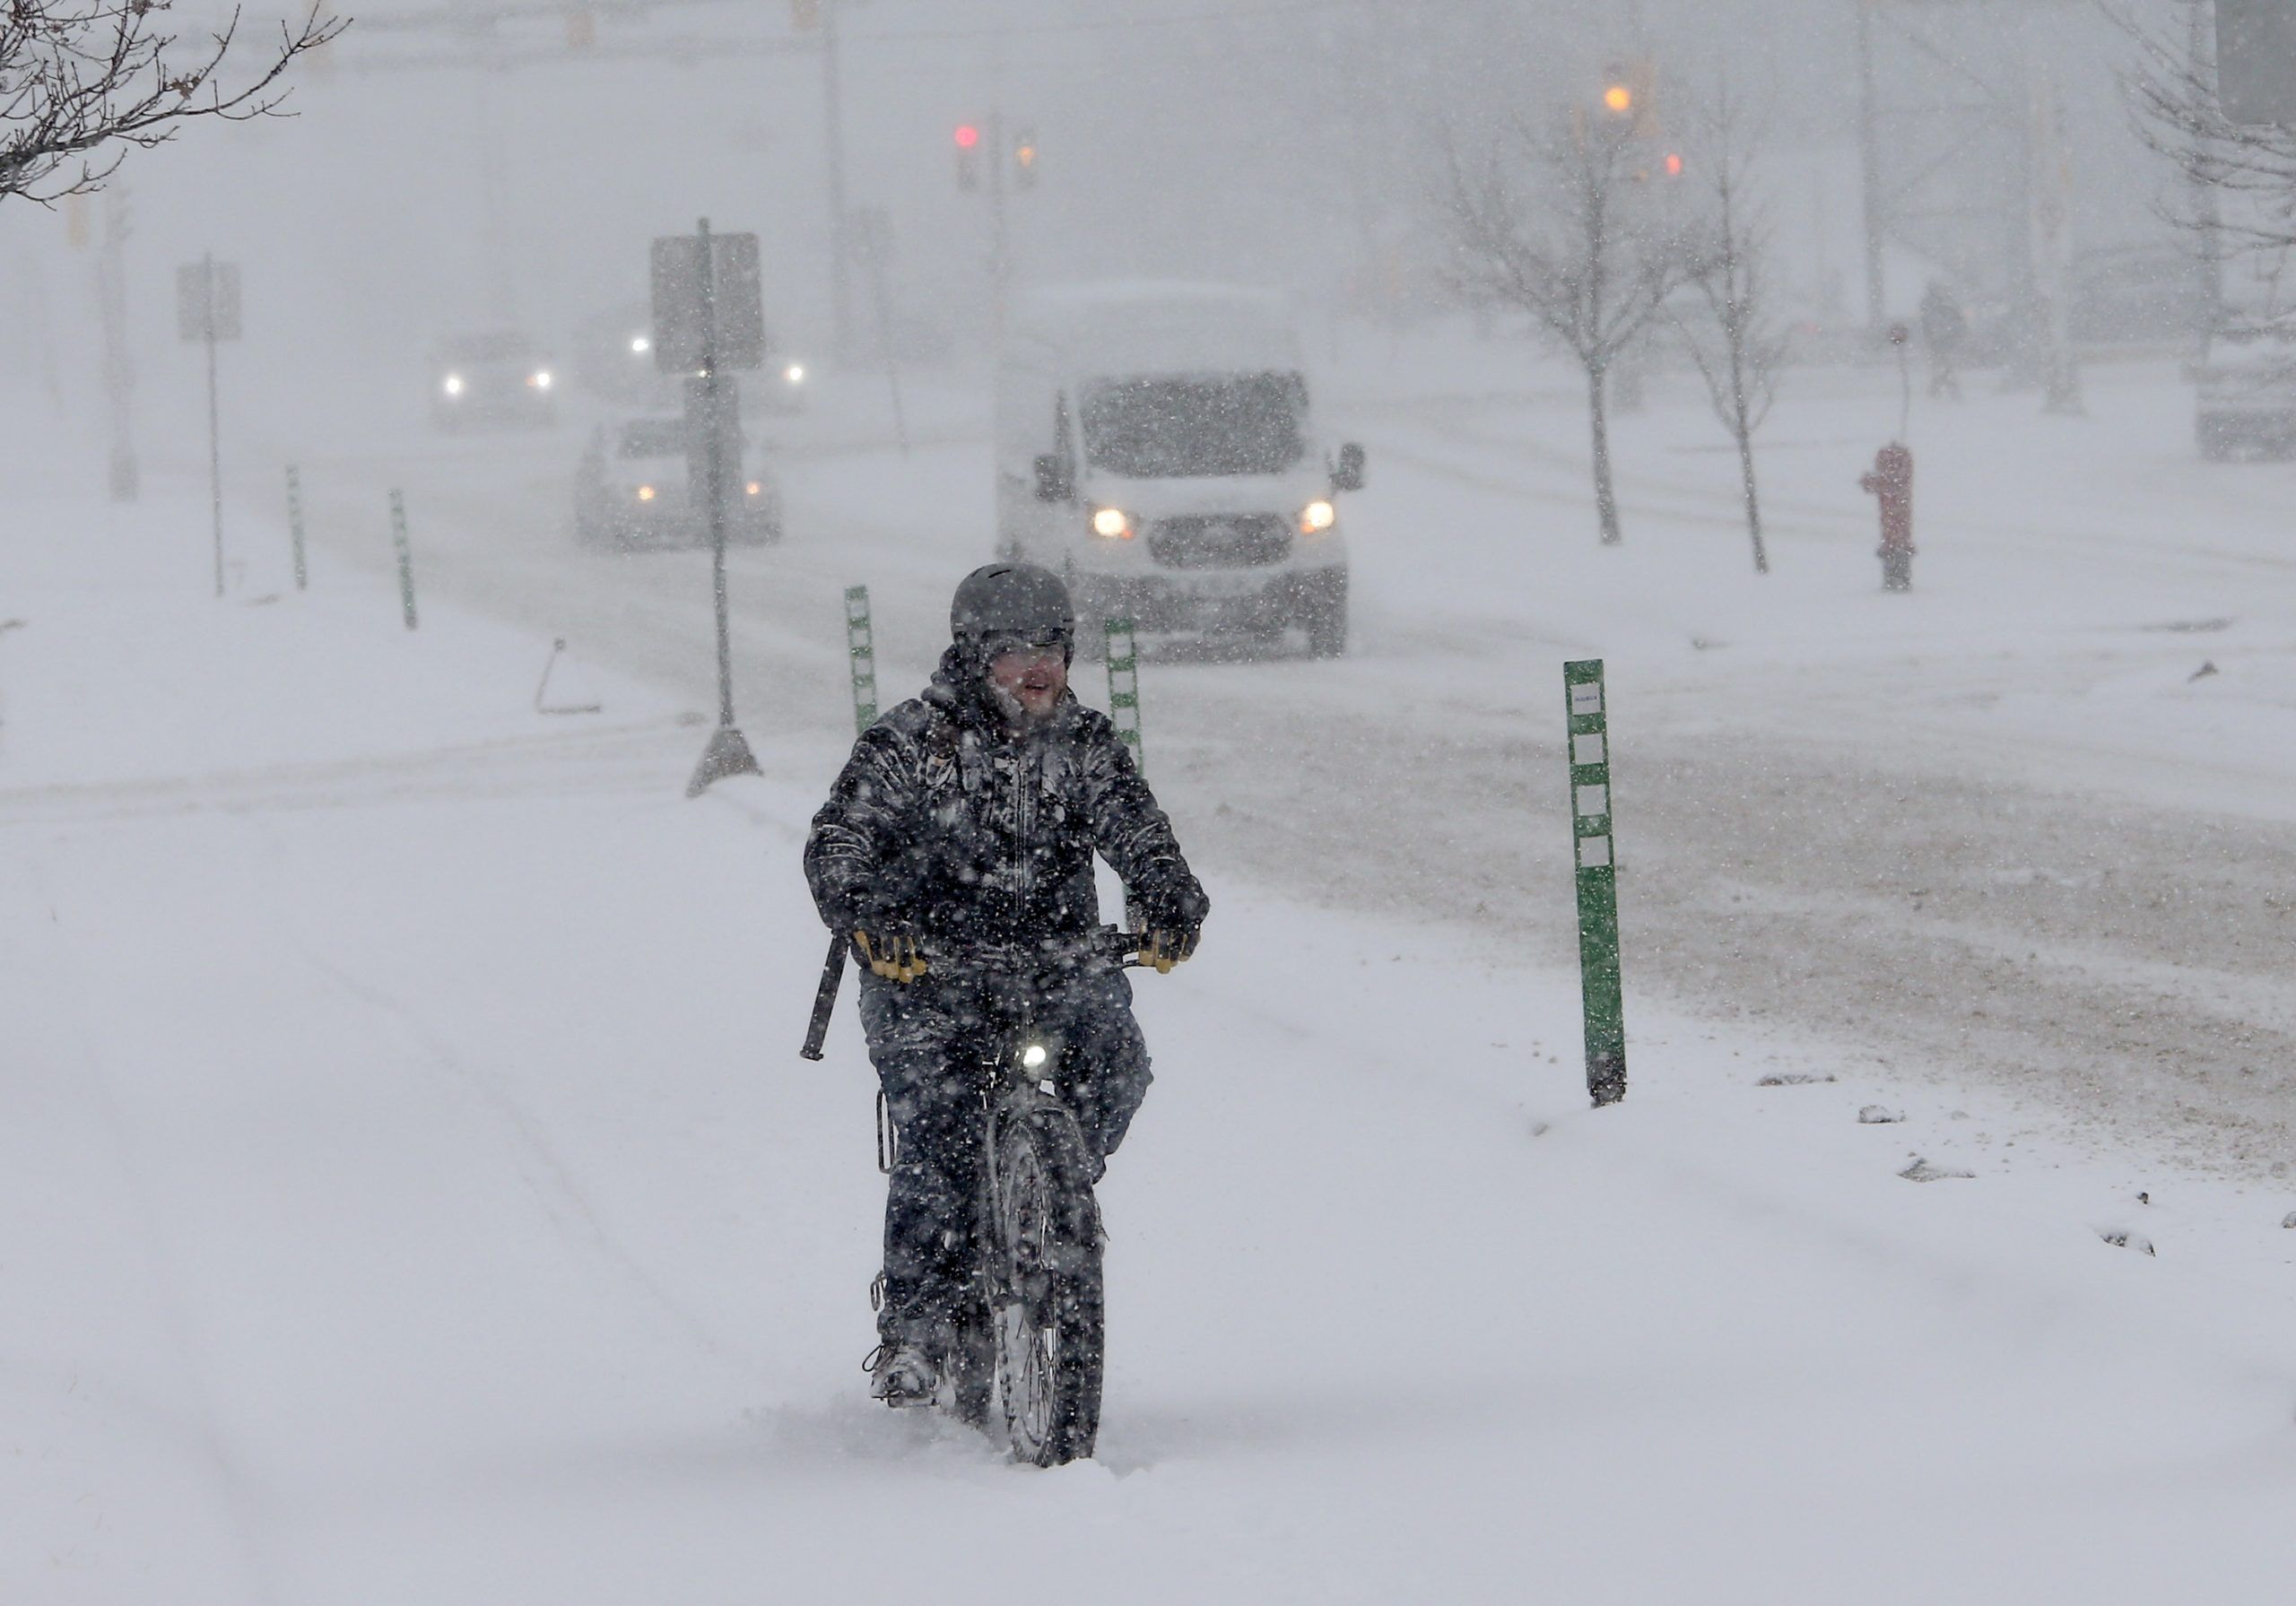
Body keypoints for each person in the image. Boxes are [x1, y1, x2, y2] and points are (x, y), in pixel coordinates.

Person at [804, 561, 1209, 1407]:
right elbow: (840, 839)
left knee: (1118, 1065)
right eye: (1017, 649)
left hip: (1060, 967)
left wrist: (1170, 898)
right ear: (972, 654)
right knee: (939, 1128)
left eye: (1053, 647)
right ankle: (918, 1324)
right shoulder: (912, 743)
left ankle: (1048, 1196)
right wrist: (870, 915)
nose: (1040, 666)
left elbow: (1139, 832)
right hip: (928, 978)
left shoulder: (1085, 745)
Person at [1919, 281, 1967, 401]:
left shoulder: (1937, 305)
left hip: (1940, 342)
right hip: (1940, 343)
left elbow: (1927, 325)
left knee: (1943, 368)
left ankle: (1937, 390)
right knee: (1945, 368)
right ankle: (1946, 391)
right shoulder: (1939, 305)